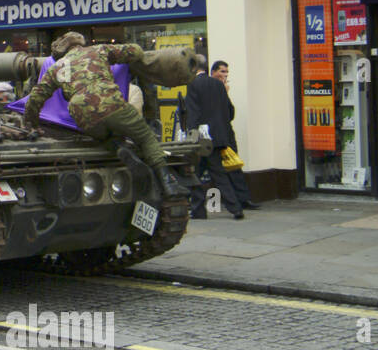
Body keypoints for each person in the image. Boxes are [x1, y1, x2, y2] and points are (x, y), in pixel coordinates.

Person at [23, 31, 186, 200]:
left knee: (102, 138)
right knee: (145, 137)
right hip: (112, 104)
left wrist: (31, 123)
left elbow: (35, 98)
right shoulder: (97, 50)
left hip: (82, 114)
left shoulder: (56, 68)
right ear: (80, 43)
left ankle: (117, 147)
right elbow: (135, 51)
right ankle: (168, 184)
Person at [184, 61, 253, 219]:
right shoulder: (218, 84)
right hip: (219, 136)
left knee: (195, 173)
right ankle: (234, 208)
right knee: (212, 173)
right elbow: (229, 111)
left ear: (193, 68)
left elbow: (193, 112)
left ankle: (200, 210)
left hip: (202, 138)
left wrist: (191, 135)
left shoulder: (193, 84)